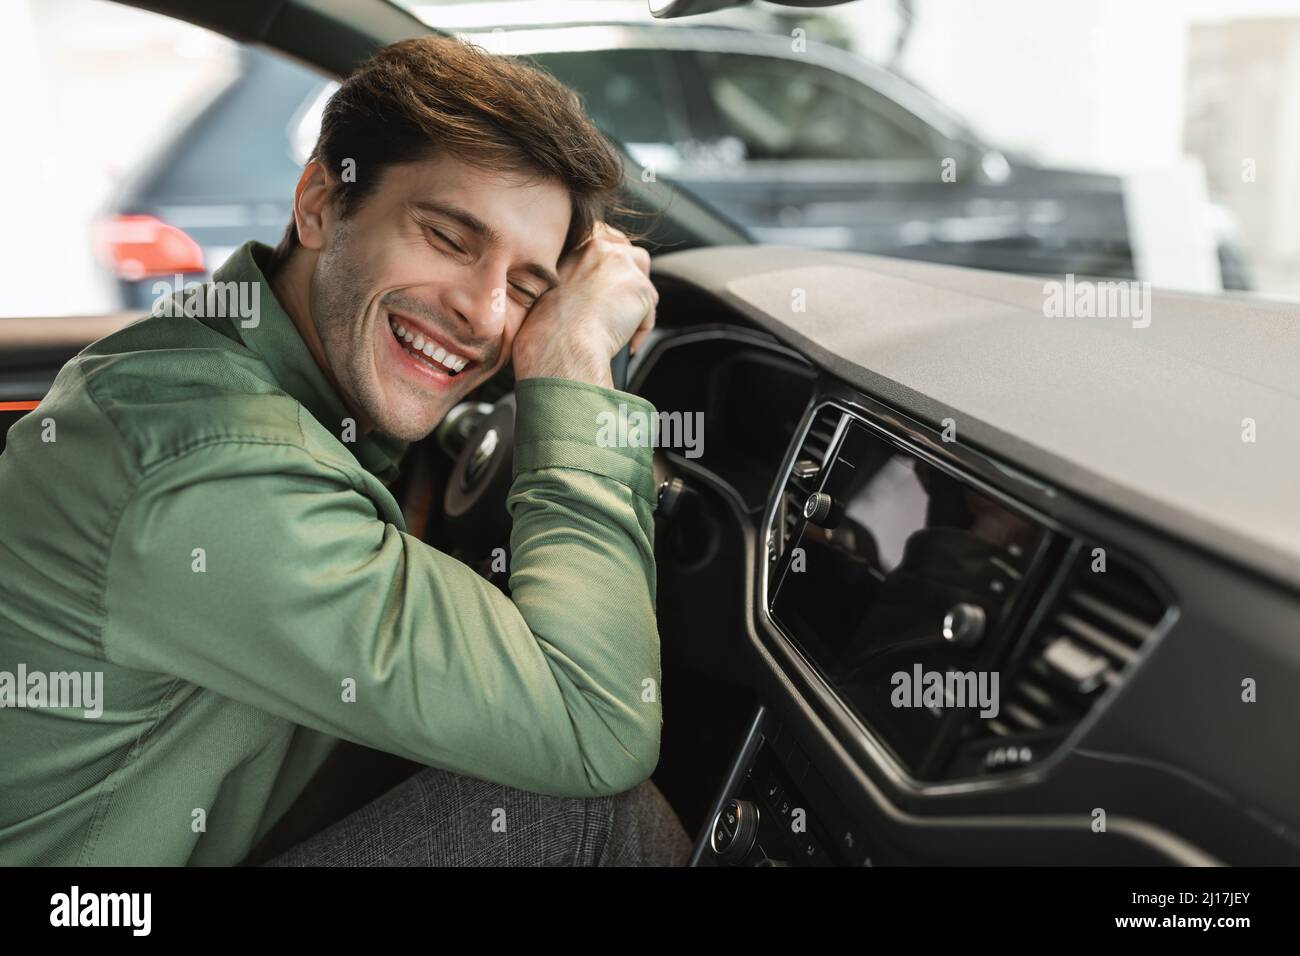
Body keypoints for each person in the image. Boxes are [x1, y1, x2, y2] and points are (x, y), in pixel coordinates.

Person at [0, 35, 691, 866]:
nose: (482, 312)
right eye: (448, 238)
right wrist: (575, 367)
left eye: (530, 290)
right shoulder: (211, 464)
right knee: (585, 816)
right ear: (323, 203)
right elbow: (598, 723)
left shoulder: (231, 361)